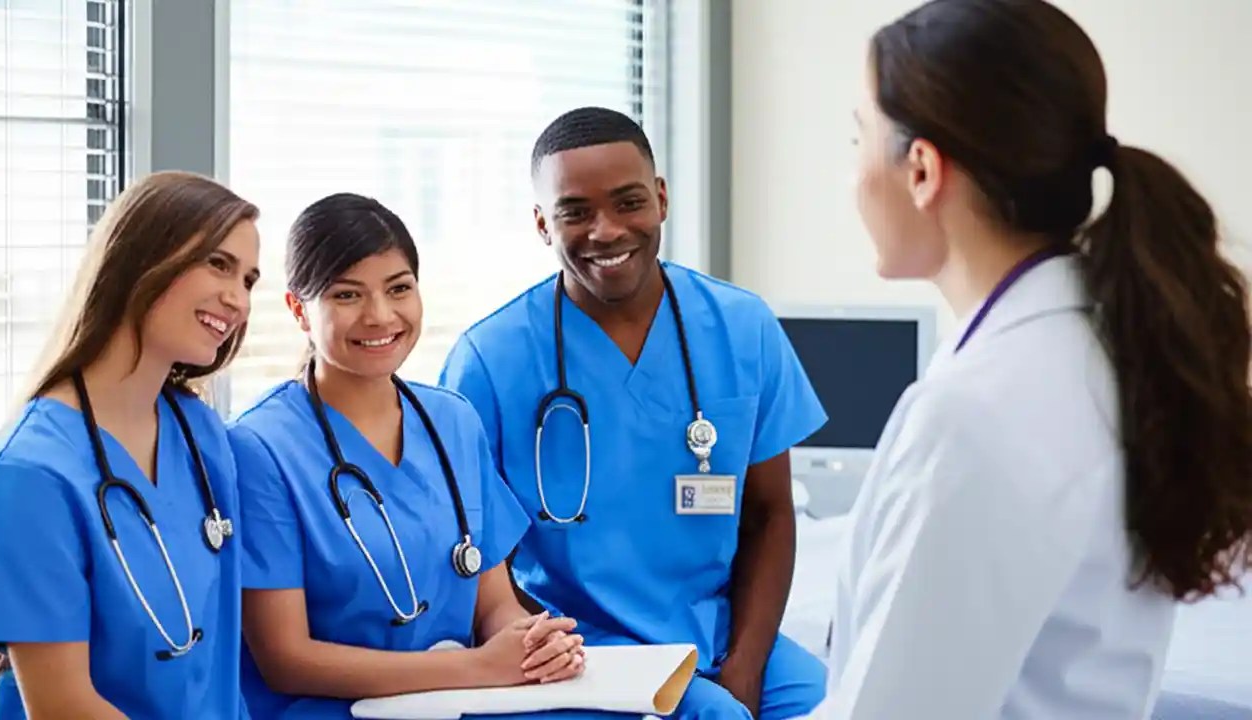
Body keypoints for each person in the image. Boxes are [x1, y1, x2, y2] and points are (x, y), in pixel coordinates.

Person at [824, 0, 1252, 717]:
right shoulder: (1112, 349)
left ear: (923, 169)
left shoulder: (975, 411)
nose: (852, 175)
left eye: (858, 137)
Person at [439, 107, 829, 720]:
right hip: (581, 647)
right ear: (542, 224)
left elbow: (770, 514)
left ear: (662, 199)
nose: (606, 230)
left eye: (628, 202)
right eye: (575, 212)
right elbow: (477, 557)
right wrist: (552, 651)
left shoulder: (741, 327)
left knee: (846, 703)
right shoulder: (489, 360)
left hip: (719, 633)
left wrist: (747, 668)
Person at [230, 193, 606, 720]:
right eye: (346, 295)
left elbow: (493, 602)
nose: (380, 315)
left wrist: (526, 643)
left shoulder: (452, 420)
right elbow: (286, 660)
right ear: (298, 310)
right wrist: (478, 669)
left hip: (459, 701)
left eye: (399, 288)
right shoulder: (260, 447)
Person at [0, 170, 262, 719]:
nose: (238, 299)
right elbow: (63, 707)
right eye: (218, 264)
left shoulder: (201, 434)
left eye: (249, 279)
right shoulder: (30, 472)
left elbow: (217, 670)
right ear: (143, 260)